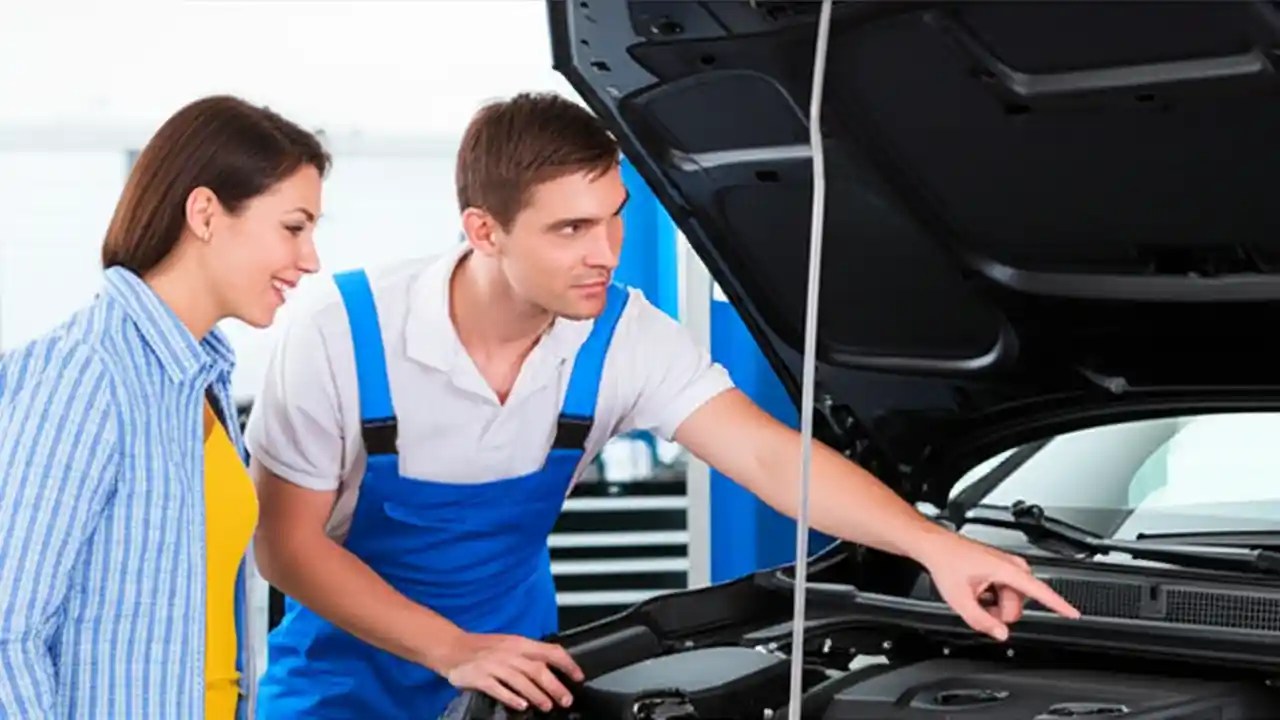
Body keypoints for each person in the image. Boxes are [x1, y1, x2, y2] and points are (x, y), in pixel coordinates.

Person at [246, 91, 1081, 719]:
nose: (605, 253)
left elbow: (767, 457)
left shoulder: (623, 336)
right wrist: (452, 650)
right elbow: (286, 548)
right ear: (484, 230)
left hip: (516, 682)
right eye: (570, 230)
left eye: (613, 219)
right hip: (338, 690)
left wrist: (936, 546)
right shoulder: (341, 335)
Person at [0, 94, 329, 720]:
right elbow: (6, 636)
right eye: (294, 228)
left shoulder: (200, 380)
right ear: (205, 213)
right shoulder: (88, 373)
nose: (310, 259)